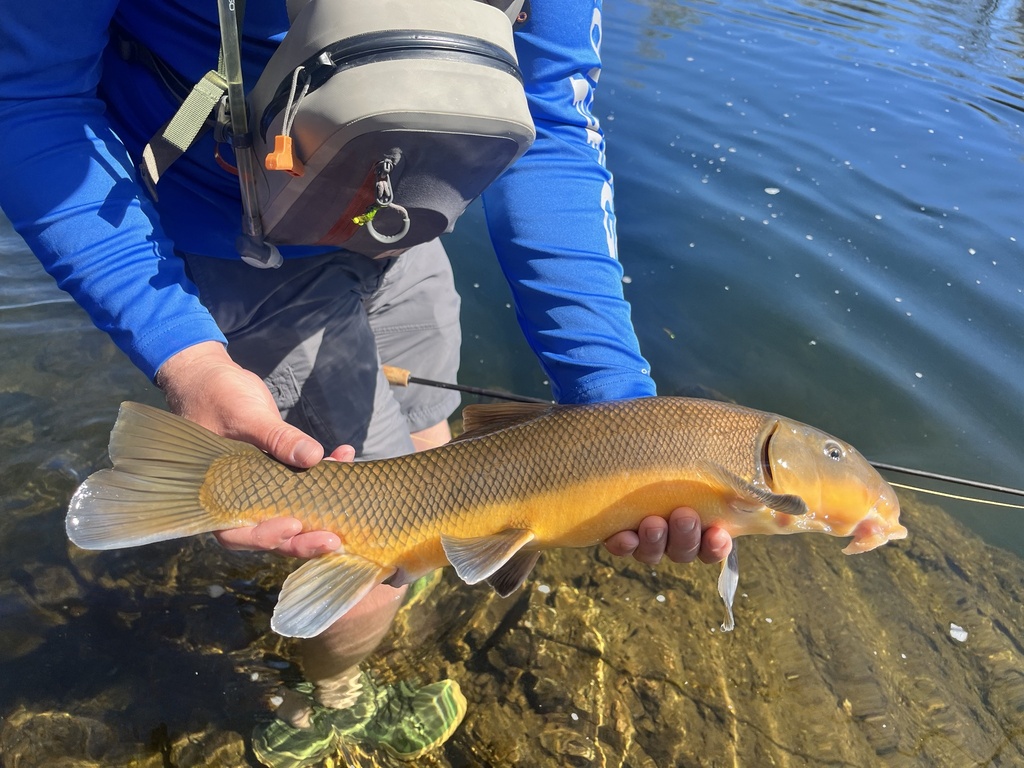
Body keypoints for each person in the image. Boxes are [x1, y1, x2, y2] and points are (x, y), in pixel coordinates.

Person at [0, 0, 732, 761]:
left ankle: (355, 625)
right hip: (232, 245)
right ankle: (332, 702)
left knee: (440, 466)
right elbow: (31, 97)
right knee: (379, 557)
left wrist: (619, 412)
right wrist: (188, 354)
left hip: (406, 221)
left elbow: (549, 123)